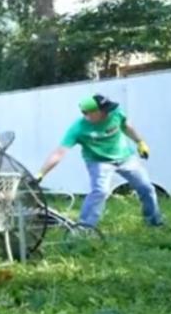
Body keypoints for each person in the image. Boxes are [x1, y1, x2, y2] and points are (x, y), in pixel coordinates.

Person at [36, 94, 163, 228]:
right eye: (103, 110)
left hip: (126, 157)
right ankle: (84, 229)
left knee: (146, 187)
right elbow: (59, 153)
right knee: (100, 192)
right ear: (89, 113)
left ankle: (154, 223)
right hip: (99, 162)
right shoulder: (78, 129)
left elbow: (127, 126)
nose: (108, 112)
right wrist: (41, 173)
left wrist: (140, 142)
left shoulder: (116, 113)